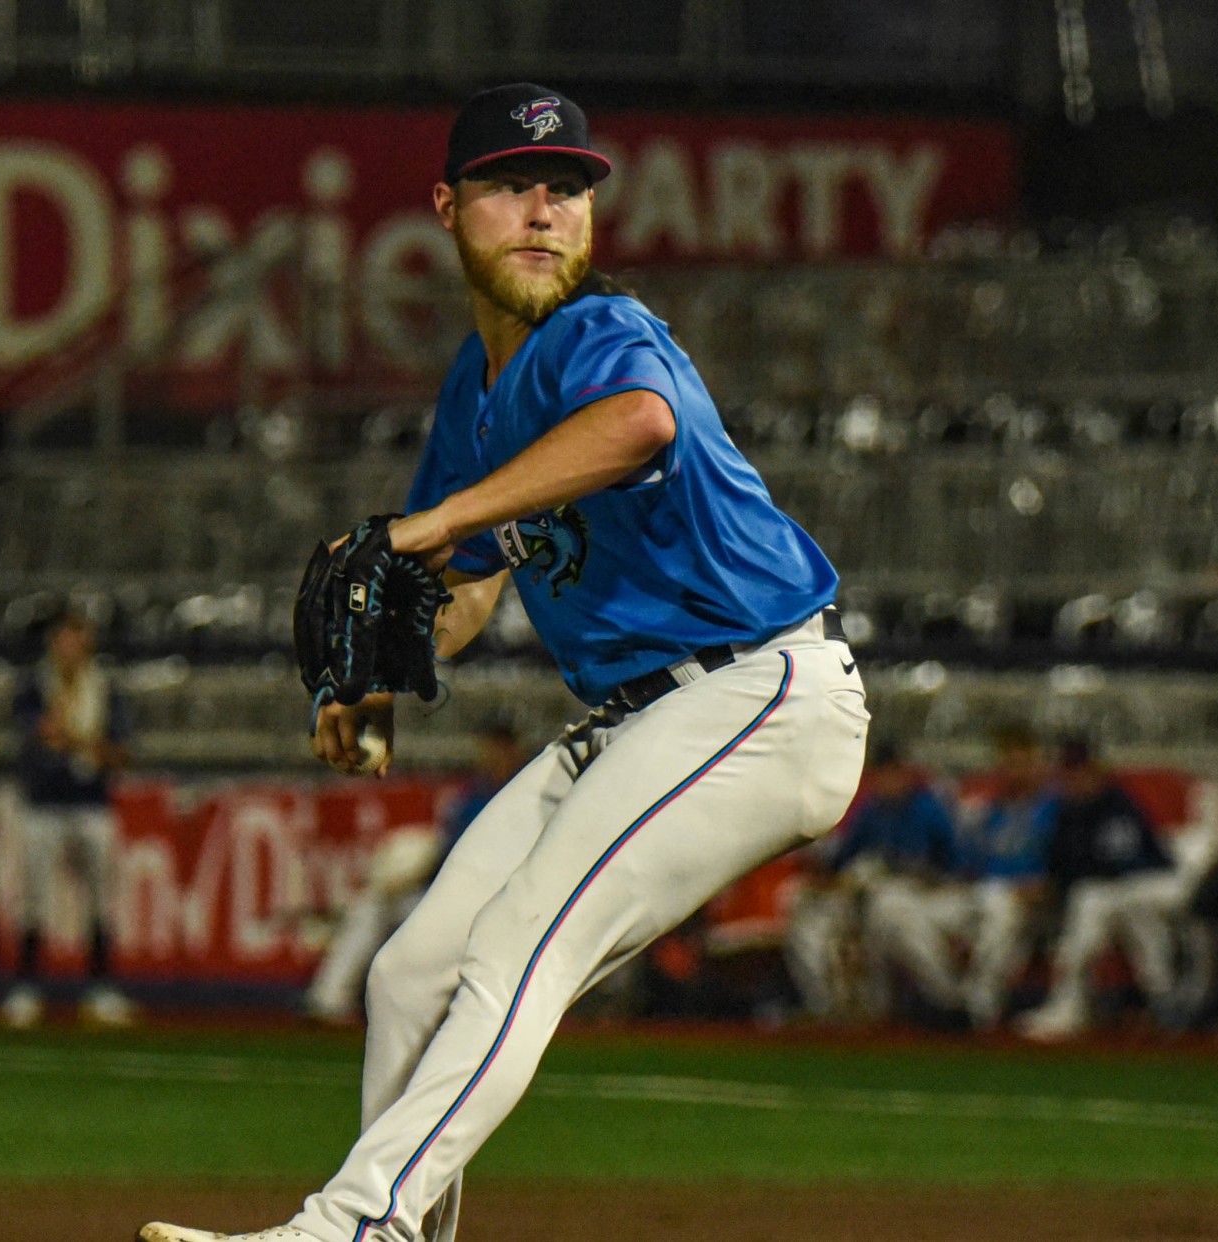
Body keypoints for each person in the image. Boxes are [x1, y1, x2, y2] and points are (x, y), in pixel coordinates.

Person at [141, 83, 867, 1242]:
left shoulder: (604, 335)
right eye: (511, 184)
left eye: (569, 188)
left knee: (524, 942)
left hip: (760, 691)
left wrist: (427, 530)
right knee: (409, 976)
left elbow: (639, 428)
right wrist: (375, 670)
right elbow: (468, 581)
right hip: (641, 721)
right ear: (446, 205)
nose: (544, 209)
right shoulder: (473, 396)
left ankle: (349, 1229)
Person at [305, 722, 530, 1025]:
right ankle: (328, 1001)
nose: (493, 755)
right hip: (445, 895)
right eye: (489, 747)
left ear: (515, 752)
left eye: (501, 748)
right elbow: (444, 850)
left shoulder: (524, 794)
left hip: (490, 901)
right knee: (372, 906)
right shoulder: (470, 794)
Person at [860, 722, 1051, 1030]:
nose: (1014, 770)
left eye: (1022, 761)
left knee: (1002, 904)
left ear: (1037, 763)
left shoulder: (1055, 808)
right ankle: (949, 1001)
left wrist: (1041, 887)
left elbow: (1067, 871)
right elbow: (965, 867)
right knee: (889, 907)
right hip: (978, 896)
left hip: (1026, 906)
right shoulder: (993, 812)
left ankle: (980, 1010)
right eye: (1008, 762)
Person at [0, 609, 136, 1030]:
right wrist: (78, 741)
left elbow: (119, 752)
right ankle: (27, 987)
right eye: (64, 638)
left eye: (78, 639)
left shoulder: (105, 687)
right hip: (43, 801)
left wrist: (74, 740)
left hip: (91, 801)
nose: (71, 648)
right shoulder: (36, 685)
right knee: (34, 897)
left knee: (101, 898)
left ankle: (101, 987)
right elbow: (34, 735)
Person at [1015, 738, 1180, 1041]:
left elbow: (1120, 865)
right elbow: (1060, 870)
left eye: (1079, 771)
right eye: (1068, 772)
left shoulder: (1116, 804)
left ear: (1095, 771)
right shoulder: (1069, 812)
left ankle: (1072, 1008)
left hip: (1155, 884)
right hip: (1117, 895)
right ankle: (1162, 1000)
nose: (1073, 779)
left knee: (1095, 901)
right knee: (1108, 909)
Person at [785, 739, 959, 1021]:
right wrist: (823, 878)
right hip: (866, 893)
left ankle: (942, 1002)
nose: (887, 781)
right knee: (797, 898)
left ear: (905, 773)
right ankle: (826, 1005)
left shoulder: (928, 809)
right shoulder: (872, 810)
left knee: (886, 905)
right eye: (881, 774)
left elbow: (953, 867)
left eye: (893, 773)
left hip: (923, 896)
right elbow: (840, 862)